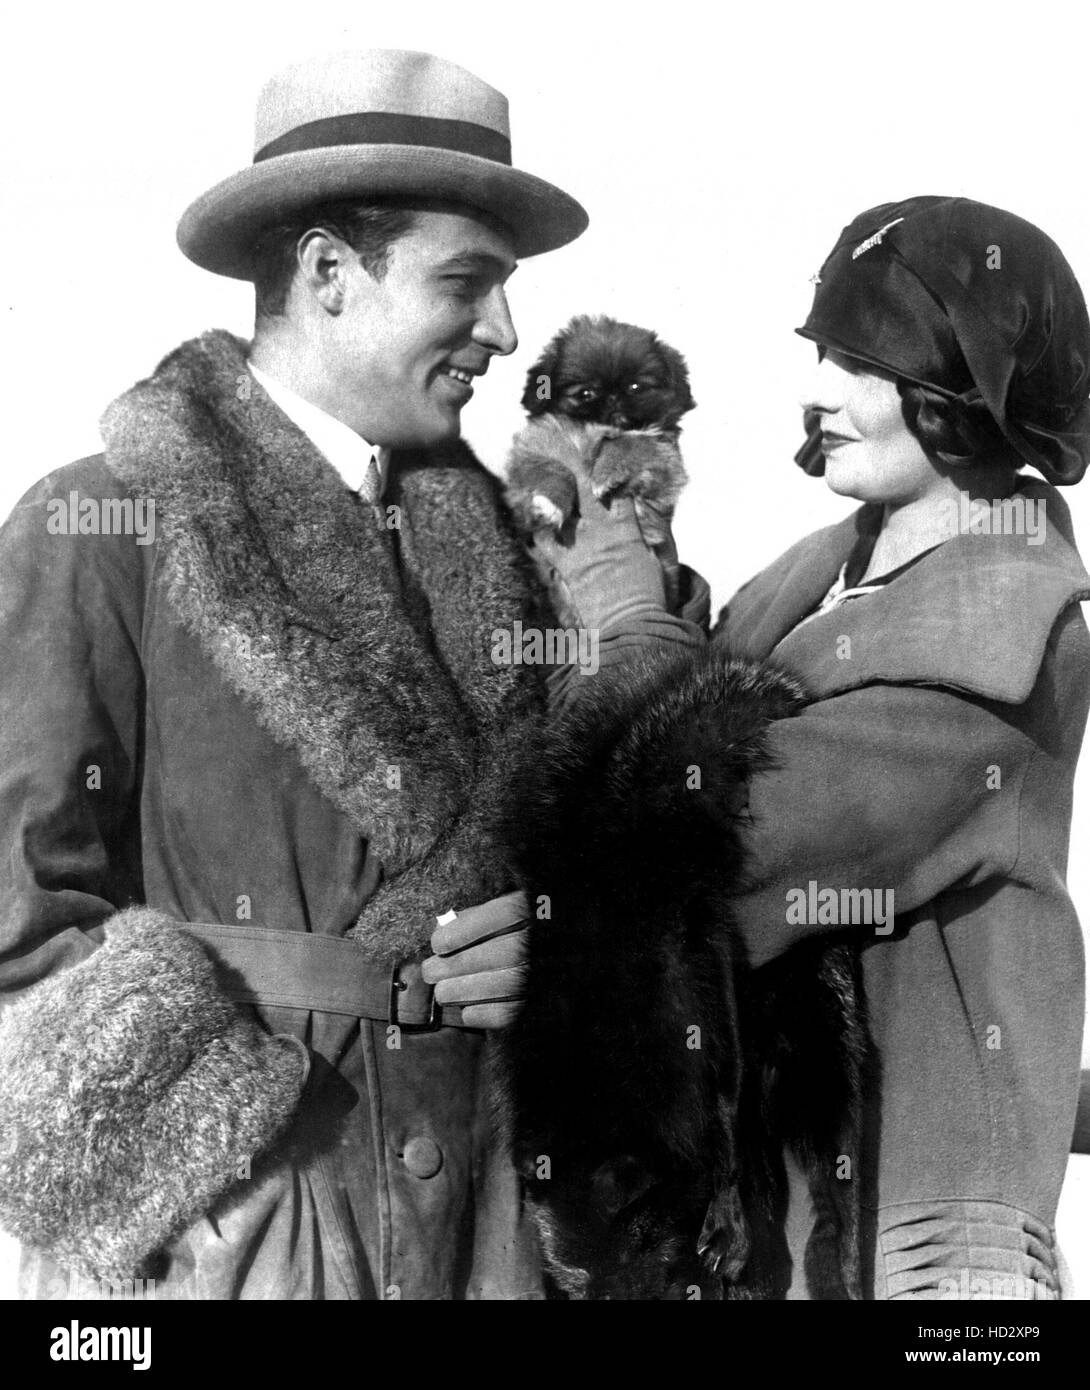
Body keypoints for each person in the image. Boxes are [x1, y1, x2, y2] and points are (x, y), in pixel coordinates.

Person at [0, 48, 705, 1301]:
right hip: (243, 1242)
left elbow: (584, 866)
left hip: (487, 1236)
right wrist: (232, 1201)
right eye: (467, 281)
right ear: (329, 273)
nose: (501, 332)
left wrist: (542, 947)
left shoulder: (505, 552)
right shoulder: (93, 528)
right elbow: (12, 930)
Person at [528, 196, 1090, 1299]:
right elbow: (705, 707)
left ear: (953, 398)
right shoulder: (824, 575)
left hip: (915, 1264)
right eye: (822, 353)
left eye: (857, 362)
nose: (816, 392)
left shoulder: (1004, 635)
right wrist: (643, 540)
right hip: (775, 1235)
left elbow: (717, 842)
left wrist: (623, 606)